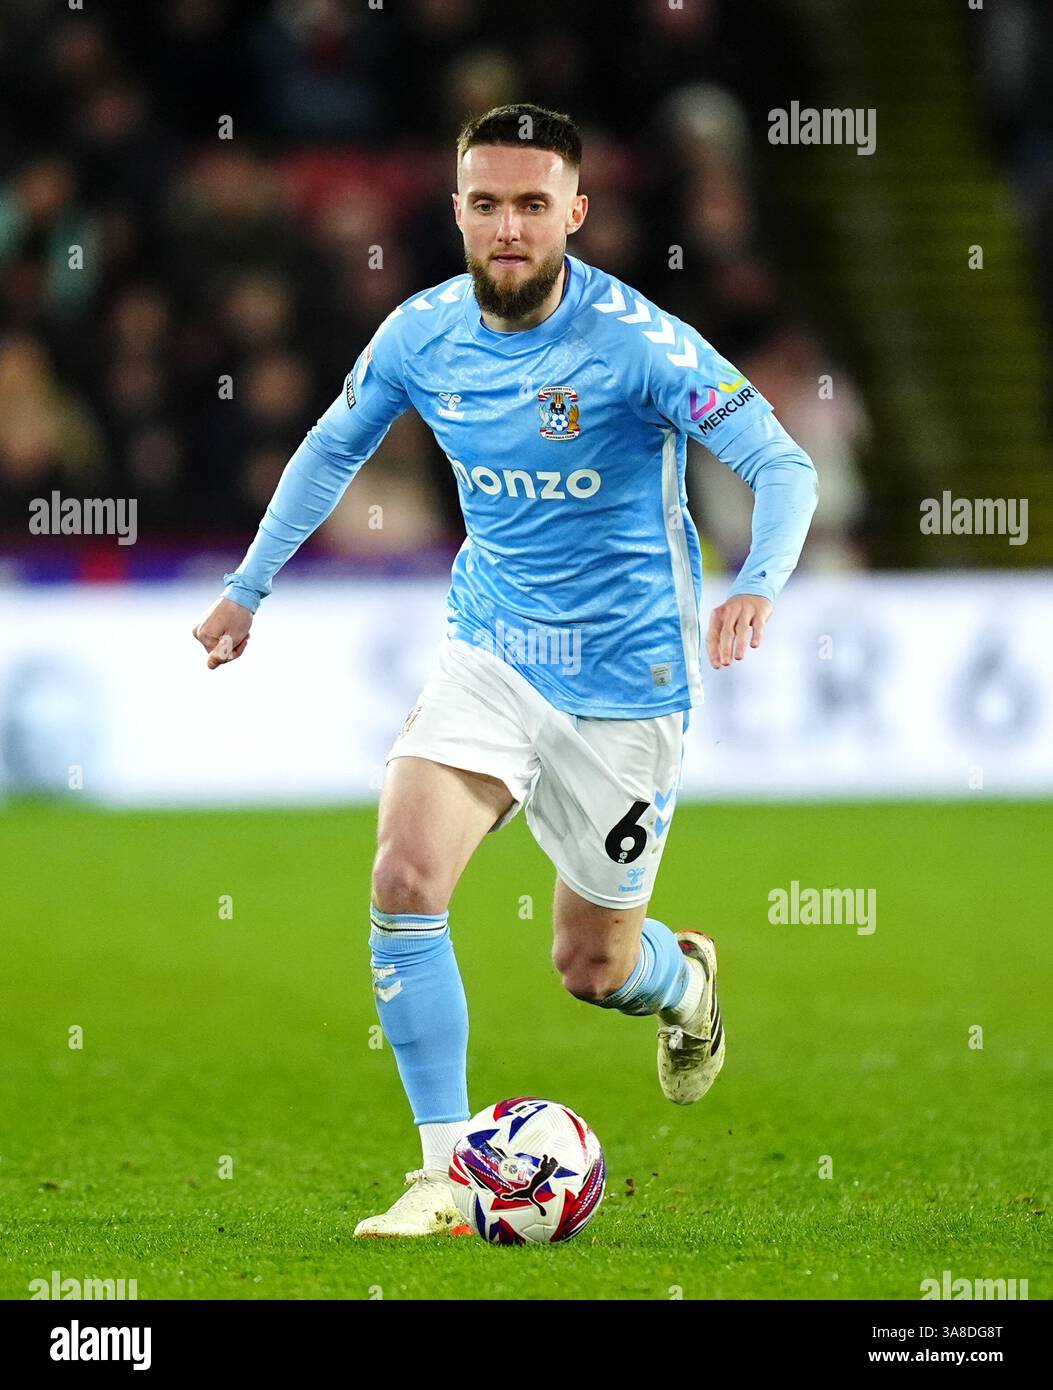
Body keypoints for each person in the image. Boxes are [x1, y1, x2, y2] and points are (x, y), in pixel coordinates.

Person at [191, 104, 819, 1238]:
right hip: (491, 650)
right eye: (488, 204)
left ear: (577, 212)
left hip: (626, 685)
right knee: (404, 874)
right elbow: (331, 445)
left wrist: (760, 581)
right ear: (458, 212)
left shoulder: (639, 343)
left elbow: (779, 458)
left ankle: (685, 986)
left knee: (592, 965)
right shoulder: (420, 335)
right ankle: (443, 1174)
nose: (510, 227)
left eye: (535, 204)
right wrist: (249, 588)